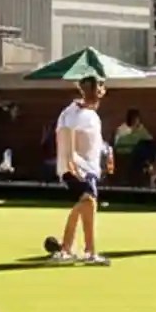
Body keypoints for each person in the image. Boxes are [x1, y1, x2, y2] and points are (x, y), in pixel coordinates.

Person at [50, 76, 108, 265]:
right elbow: (66, 134)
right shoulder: (74, 112)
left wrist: (106, 154)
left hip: (89, 168)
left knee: (83, 206)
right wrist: (71, 163)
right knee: (89, 202)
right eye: (97, 85)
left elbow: (91, 141)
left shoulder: (92, 114)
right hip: (76, 167)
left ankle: (66, 250)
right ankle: (90, 252)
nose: (100, 89)